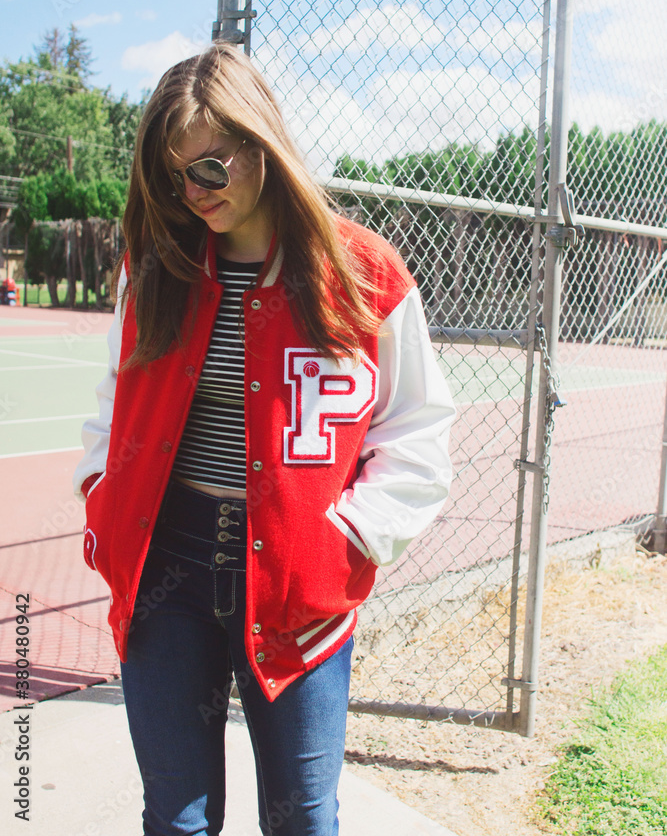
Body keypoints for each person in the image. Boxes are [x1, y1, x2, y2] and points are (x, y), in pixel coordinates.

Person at [73, 42, 455, 836]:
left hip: (296, 585)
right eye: (172, 176)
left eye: (208, 169)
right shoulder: (157, 262)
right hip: (164, 572)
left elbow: (416, 429)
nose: (191, 192)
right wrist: (100, 489)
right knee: (174, 820)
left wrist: (346, 539)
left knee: (302, 821)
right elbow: (112, 399)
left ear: (262, 144)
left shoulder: (363, 272)